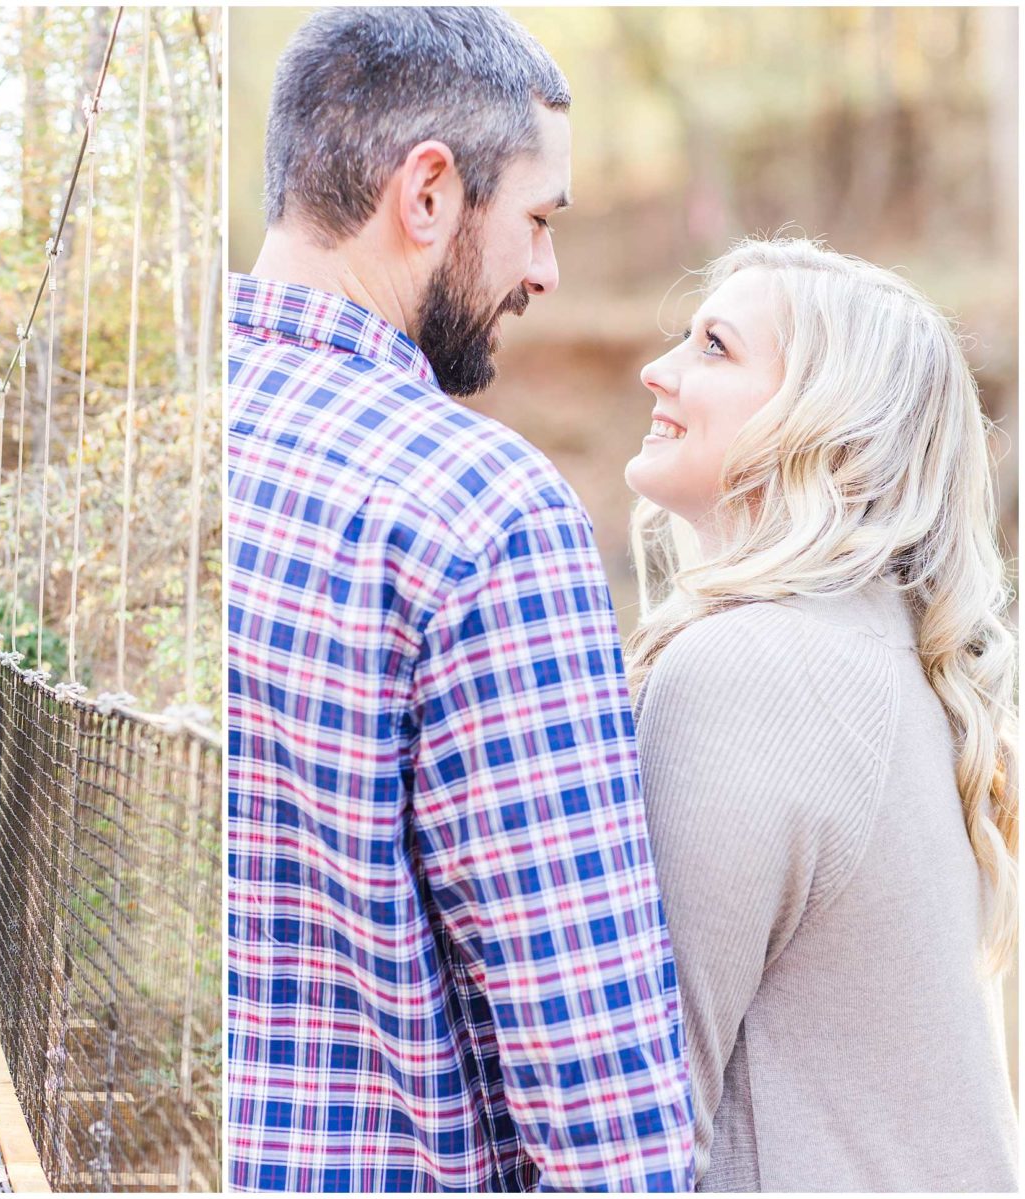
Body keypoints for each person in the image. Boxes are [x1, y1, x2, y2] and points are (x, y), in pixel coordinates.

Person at [227, 8, 694, 1191]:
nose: (545, 271)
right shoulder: (478, 513)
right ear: (426, 192)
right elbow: (587, 1055)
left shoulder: (162, 438)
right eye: (537, 218)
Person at [624, 236, 1019, 1191]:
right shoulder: (884, 650)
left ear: (828, 422)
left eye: (714, 347)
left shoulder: (747, 672)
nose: (657, 369)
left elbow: (651, 1113)